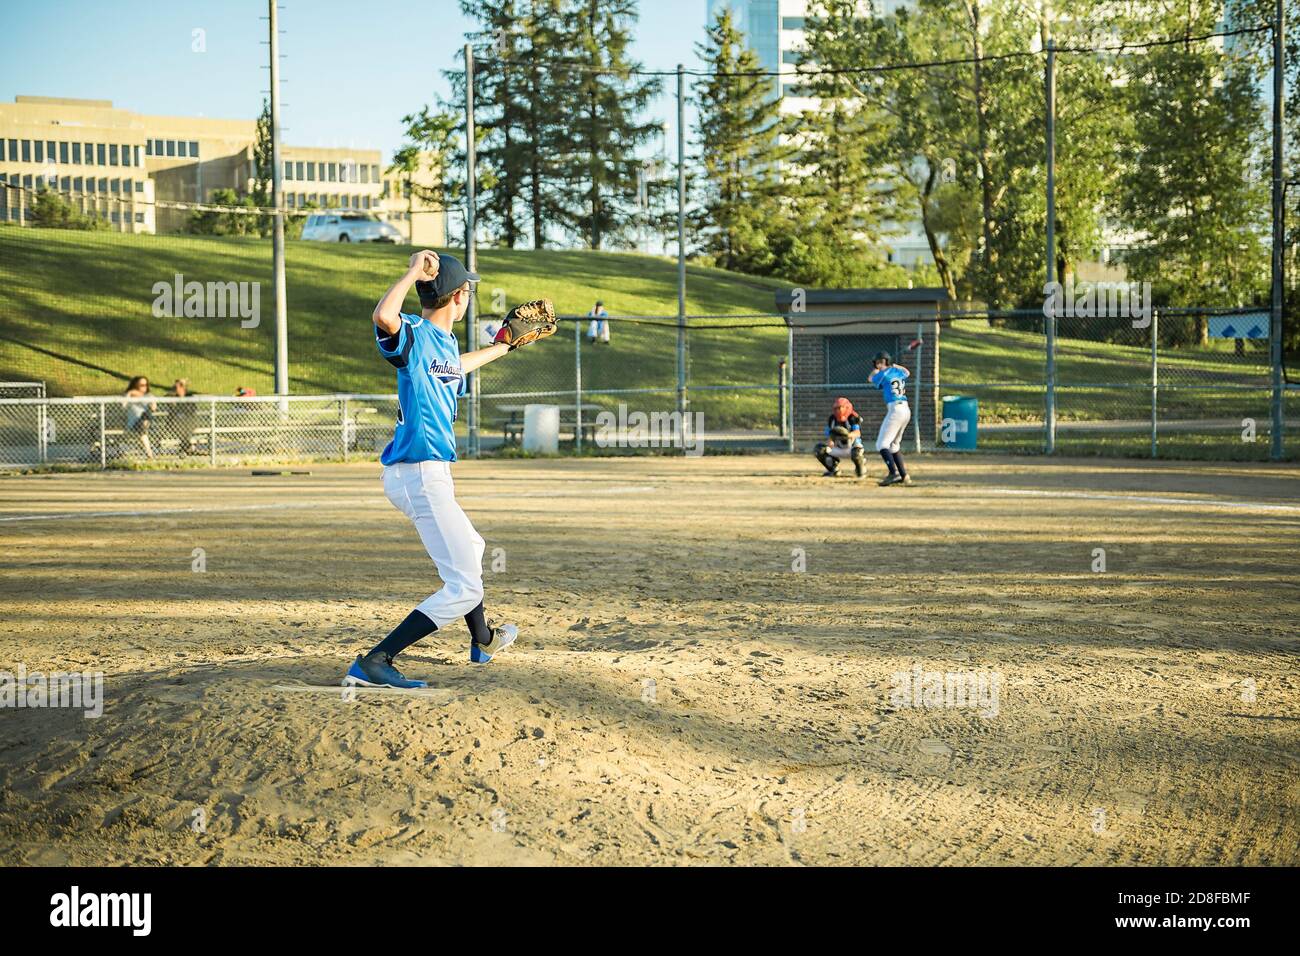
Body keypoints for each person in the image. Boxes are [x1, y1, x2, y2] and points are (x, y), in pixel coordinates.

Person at [344, 250, 524, 690]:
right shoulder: (415, 334)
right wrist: (411, 272)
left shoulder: (444, 345)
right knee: (463, 584)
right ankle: (376, 660)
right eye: (467, 291)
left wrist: (501, 348)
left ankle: (482, 640)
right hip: (417, 472)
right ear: (458, 297)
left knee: (472, 550)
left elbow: (456, 367)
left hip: (431, 473)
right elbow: (384, 315)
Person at [869, 351, 912, 486]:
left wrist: (877, 370)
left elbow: (871, 379)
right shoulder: (897, 372)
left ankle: (893, 473)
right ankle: (904, 475)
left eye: (879, 363)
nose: (877, 366)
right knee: (894, 446)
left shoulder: (883, 374)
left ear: (884, 362)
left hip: (896, 410)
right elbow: (907, 372)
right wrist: (893, 365)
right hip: (905, 409)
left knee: (881, 444)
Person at [814, 397, 866, 478]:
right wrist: (830, 441)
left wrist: (847, 435)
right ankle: (833, 469)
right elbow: (829, 435)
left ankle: (860, 469)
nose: (840, 410)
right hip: (837, 447)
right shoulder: (832, 419)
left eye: (842, 407)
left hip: (851, 447)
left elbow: (857, 433)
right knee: (819, 450)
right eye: (837, 408)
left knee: (857, 453)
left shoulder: (852, 417)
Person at [123, 375, 156, 459]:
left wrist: (150, 401)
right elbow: (123, 406)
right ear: (136, 385)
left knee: (145, 416)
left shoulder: (149, 395)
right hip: (133, 422)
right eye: (142, 385)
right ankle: (149, 454)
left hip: (147, 422)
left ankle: (149, 454)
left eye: (146, 385)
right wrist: (130, 393)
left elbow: (154, 408)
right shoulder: (130, 395)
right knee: (142, 430)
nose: (144, 387)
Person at [165, 378, 199, 454]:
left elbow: (192, 410)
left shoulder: (189, 396)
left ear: (182, 387)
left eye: (176, 387)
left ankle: (185, 447)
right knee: (178, 426)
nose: (174, 388)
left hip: (189, 421)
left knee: (184, 427)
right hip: (176, 422)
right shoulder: (174, 396)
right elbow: (166, 397)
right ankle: (188, 446)